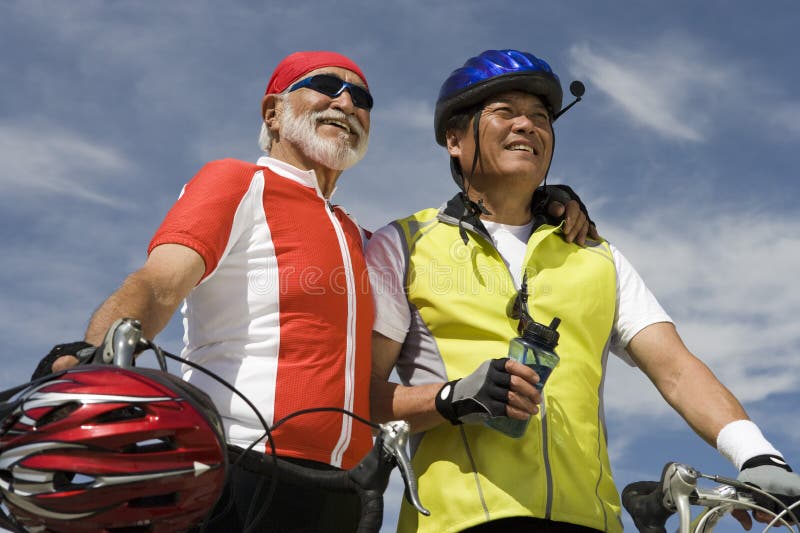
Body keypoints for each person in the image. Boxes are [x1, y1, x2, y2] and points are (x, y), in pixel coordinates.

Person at [29, 50, 591, 531]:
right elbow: (157, 284)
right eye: (325, 86)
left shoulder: (366, 240)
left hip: (344, 493)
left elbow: (464, 233)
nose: (346, 103)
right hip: (235, 467)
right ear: (273, 113)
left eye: (361, 99)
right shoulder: (238, 182)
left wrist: (541, 201)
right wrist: (93, 356)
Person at [367, 49, 800, 533]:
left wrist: (757, 454)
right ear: (454, 139)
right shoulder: (404, 244)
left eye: (540, 117)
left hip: (590, 522)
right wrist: (450, 398)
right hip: (457, 523)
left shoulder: (597, 255)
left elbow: (676, 369)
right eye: (505, 112)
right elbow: (362, 397)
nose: (527, 125)